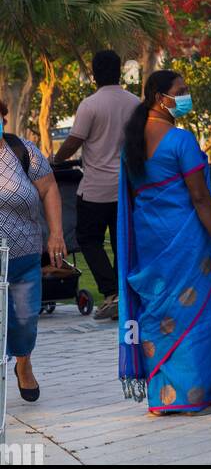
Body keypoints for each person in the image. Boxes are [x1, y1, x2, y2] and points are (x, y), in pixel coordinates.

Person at [117, 68, 211, 415]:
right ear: (160, 98)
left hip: (149, 239)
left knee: (160, 309)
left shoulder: (132, 144)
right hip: (185, 238)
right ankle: (194, 393)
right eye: (180, 91)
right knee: (200, 313)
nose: (185, 97)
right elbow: (200, 198)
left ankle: (163, 395)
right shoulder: (180, 141)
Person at [53, 49, 139, 320]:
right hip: (126, 188)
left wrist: (56, 158)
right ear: (120, 71)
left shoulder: (90, 105)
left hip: (95, 188)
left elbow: (74, 141)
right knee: (121, 243)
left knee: (88, 240)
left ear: (93, 74)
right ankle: (123, 295)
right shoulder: (135, 102)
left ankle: (111, 292)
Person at [0, 97, 66, 403]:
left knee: (25, 321)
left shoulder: (23, 151)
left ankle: (23, 363)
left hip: (24, 254)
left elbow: (50, 189)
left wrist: (56, 233)